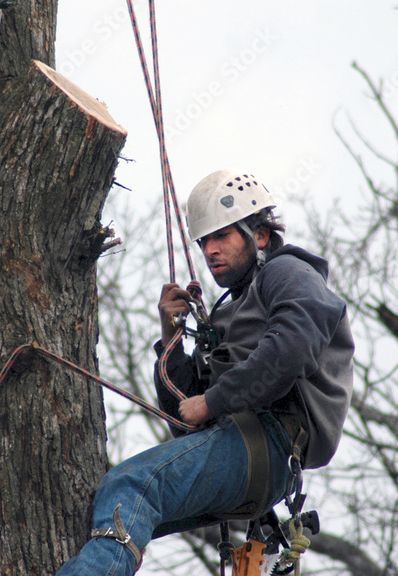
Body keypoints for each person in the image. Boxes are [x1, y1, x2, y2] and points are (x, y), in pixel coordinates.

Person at [56, 168, 354, 576]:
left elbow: (292, 349)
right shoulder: (234, 310)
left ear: (260, 236)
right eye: (205, 241)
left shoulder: (286, 273)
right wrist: (171, 341)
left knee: (134, 486)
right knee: (113, 506)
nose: (210, 250)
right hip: (248, 453)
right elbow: (188, 421)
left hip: (269, 442)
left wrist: (212, 401)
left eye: (222, 237)